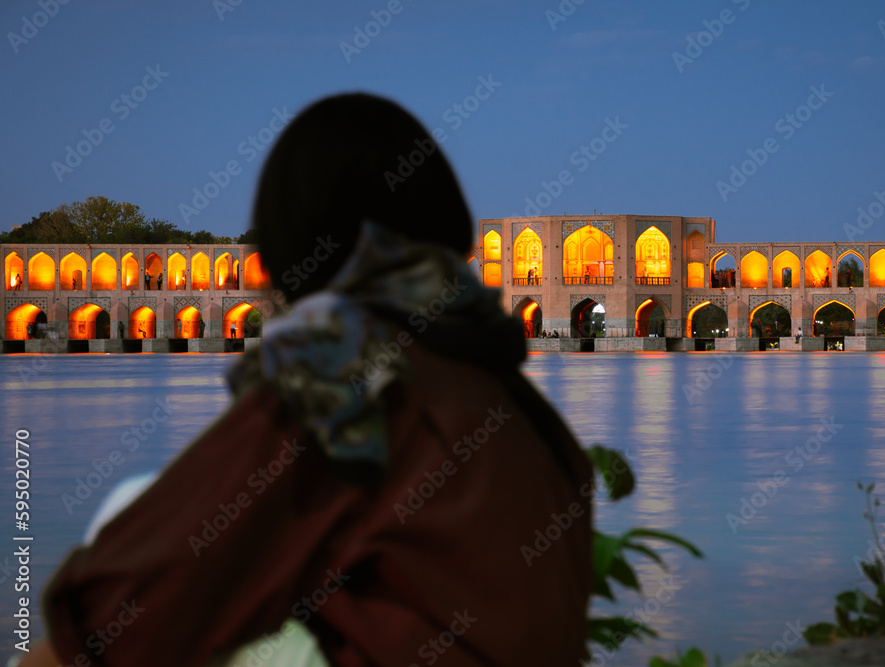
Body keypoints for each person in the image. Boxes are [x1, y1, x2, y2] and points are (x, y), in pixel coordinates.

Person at [29, 93, 592, 667]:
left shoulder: (343, 371)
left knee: (132, 505)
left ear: (291, 233)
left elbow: (110, 626)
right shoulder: (516, 400)